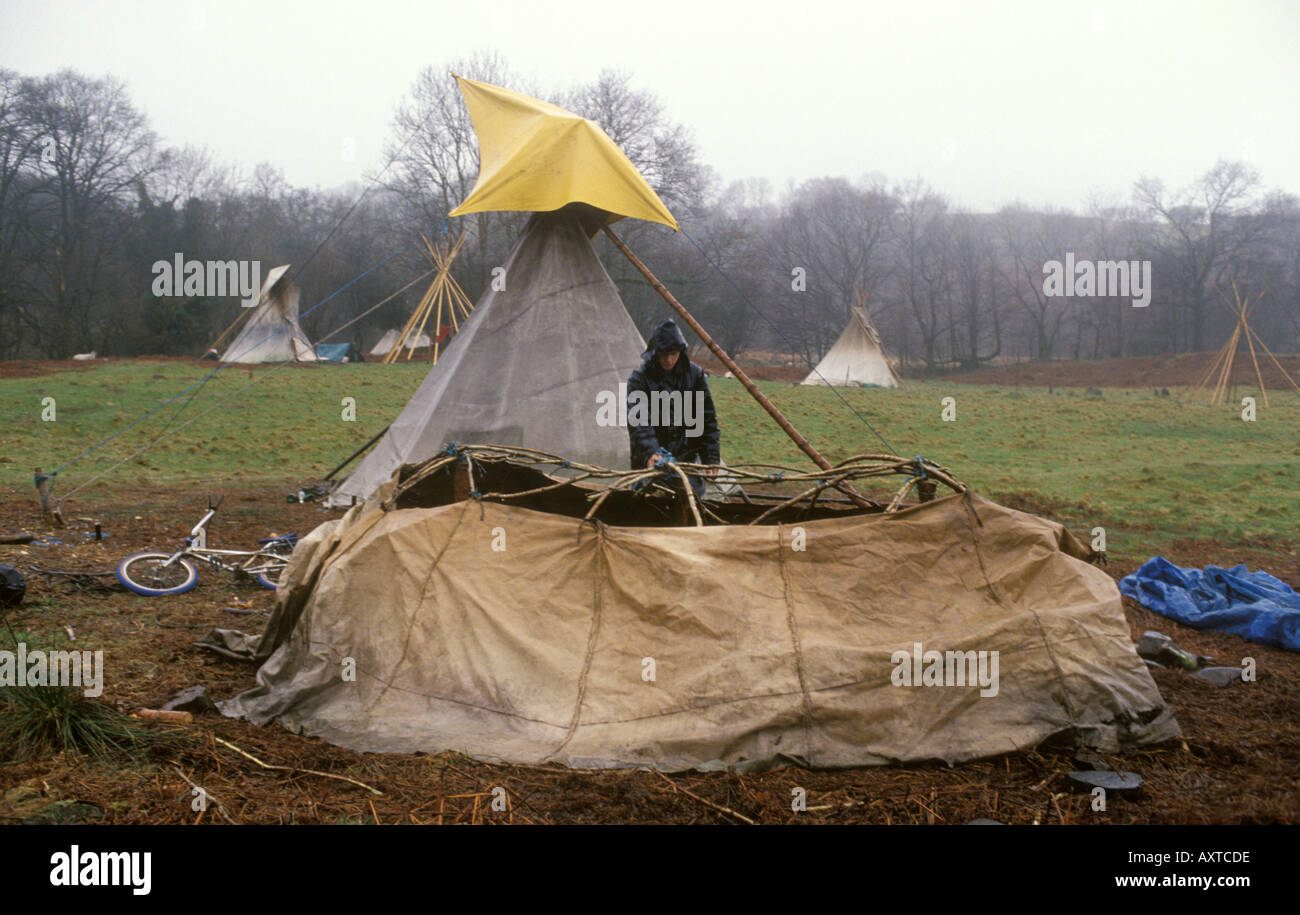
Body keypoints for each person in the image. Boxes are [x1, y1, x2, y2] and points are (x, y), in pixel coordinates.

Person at [626, 319, 720, 501]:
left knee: (690, 505)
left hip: (686, 457)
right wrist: (651, 451)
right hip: (651, 458)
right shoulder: (640, 378)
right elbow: (638, 421)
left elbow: (707, 420)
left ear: (680, 352)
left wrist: (711, 458)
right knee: (648, 508)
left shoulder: (695, 376)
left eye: (673, 354)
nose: (668, 359)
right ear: (655, 353)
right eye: (663, 354)